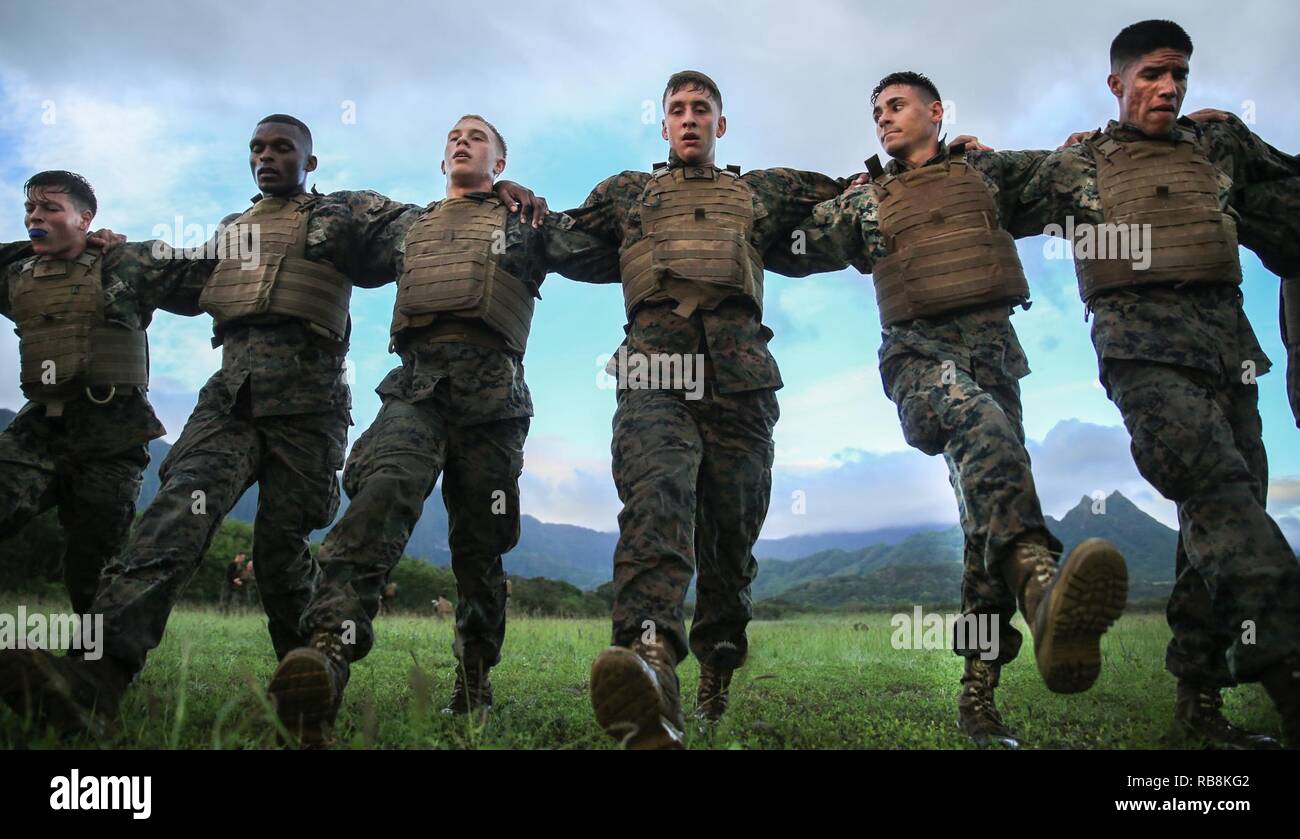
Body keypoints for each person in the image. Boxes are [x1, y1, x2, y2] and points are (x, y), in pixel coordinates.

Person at [772, 71, 1129, 748]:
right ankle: (1042, 587)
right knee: (985, 433)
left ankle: (978, 695)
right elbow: (783, 235)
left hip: (995, 353)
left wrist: (1098, 140)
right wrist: (832, 190)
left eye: (897, 106)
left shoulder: (984, 174)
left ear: (936, 111)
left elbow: (1065, 174)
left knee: (982, 523)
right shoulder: (864, 203)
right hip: (917, 355)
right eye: (876, 110)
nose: (884, 118)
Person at [268, 114, 617, 745]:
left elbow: (603, 247)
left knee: (481, 547)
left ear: (500, 164)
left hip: (494, 400)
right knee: (380, 492)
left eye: (478, 138)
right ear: (441, 159)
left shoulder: (527, 222)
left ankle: (475, 676)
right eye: (454, 137)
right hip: (417, 387)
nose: (462, 142)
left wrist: (534, 198)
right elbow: (326, 215)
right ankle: (326, 651)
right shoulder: (406, 224)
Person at [1014, 19, 1300, 747]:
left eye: (1180, 77)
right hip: (1144, 358)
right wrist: (957, 153)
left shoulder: (1220, 146)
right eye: (1152, 76)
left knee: (1214, 529)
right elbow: (973, 196)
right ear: (1118, 84)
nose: (1169, 88)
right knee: (1220, 500)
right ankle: (1291, 672)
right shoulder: (1073, 166)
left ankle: (1197, 711)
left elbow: (1288, 188)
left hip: (1231, 355)